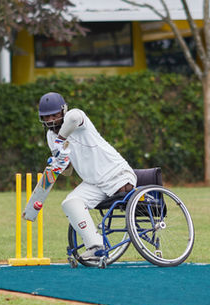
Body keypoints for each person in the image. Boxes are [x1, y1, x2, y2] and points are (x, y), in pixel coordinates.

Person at [37, 91, 136, 260]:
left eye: (54, 115)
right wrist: (58, 162)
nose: (50, 120)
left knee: (117, 187)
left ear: (63, 111)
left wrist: (60, 140)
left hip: (117, 175)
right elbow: (67, 171)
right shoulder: (50, 136)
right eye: (46, 117)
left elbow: (74, 118)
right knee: (69, 203)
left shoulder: (77, 119)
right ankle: (96, 246)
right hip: (93, 184)